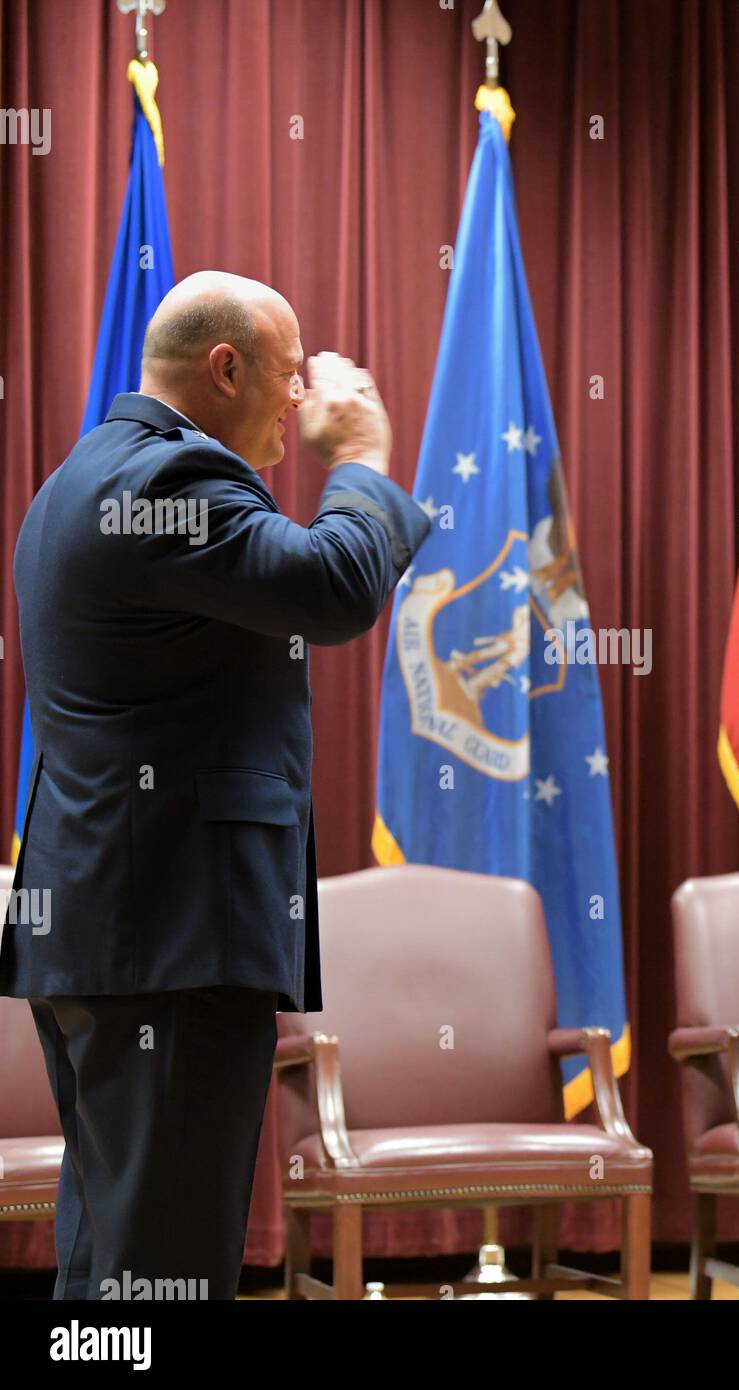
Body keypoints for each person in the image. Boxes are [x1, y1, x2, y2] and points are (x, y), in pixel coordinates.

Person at [0, 270, 432, 1299]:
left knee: (115, 1252)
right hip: (169, 937)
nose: (298, 399)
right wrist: (363, 456)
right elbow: (331, 587)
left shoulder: (84, 475)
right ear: (224, 366)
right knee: (167, 1265)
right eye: (287, 375)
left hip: (124, 928)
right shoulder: (164, 483)